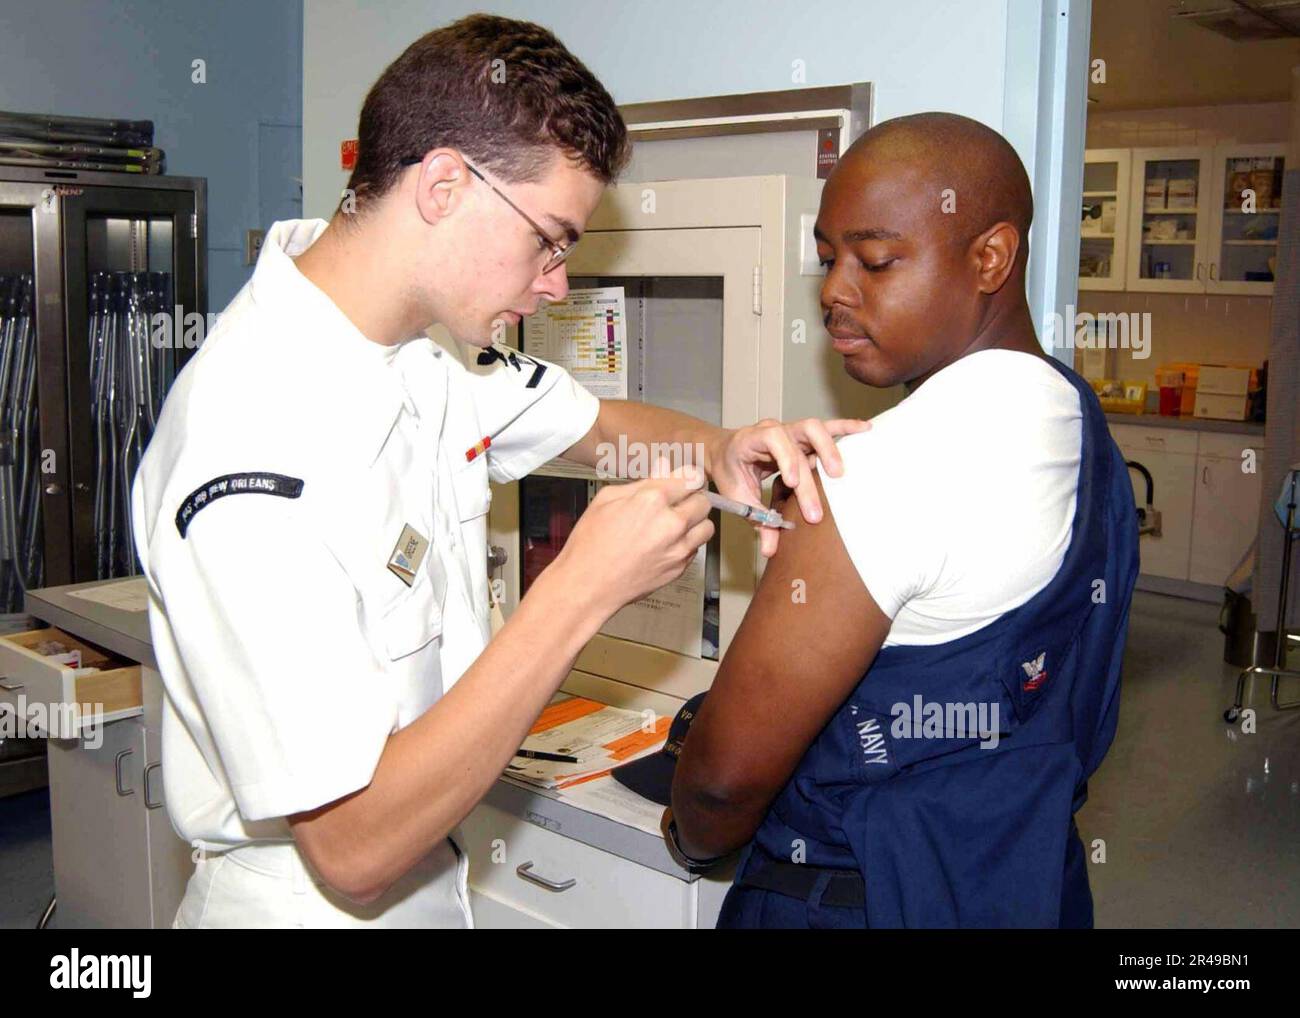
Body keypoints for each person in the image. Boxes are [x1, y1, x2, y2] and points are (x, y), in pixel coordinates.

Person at [130, 14, 863, 928]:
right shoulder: (249, 443)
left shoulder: (423, 354)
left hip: (436, 878)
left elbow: (597, 426)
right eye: (551, 239)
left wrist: (717, 447)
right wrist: (580, 593)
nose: (557, 283)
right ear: (443, 185)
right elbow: (352, 847)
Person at [665, 113, 1140, 929]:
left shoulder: (879, 470)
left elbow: (721, 780)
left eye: (877, 261)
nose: (834, 292)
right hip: (1021, 887)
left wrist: (689, 843)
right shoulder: (1072, 418)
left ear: (990, 258)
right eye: (827, 258)